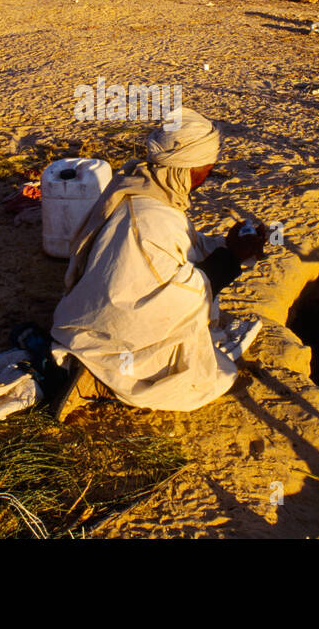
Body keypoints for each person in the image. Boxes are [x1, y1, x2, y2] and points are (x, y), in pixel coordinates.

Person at [50, 107, 267, 420]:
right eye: (208, 164)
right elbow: (175, 299)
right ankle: (100, 381)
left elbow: (179, 251)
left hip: (93, 309)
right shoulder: (150, 220)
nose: (211, 170)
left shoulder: (142, 187)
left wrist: (230, 247)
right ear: (189, 168)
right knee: (201, 373)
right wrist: (231, 257)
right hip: (110, 335)